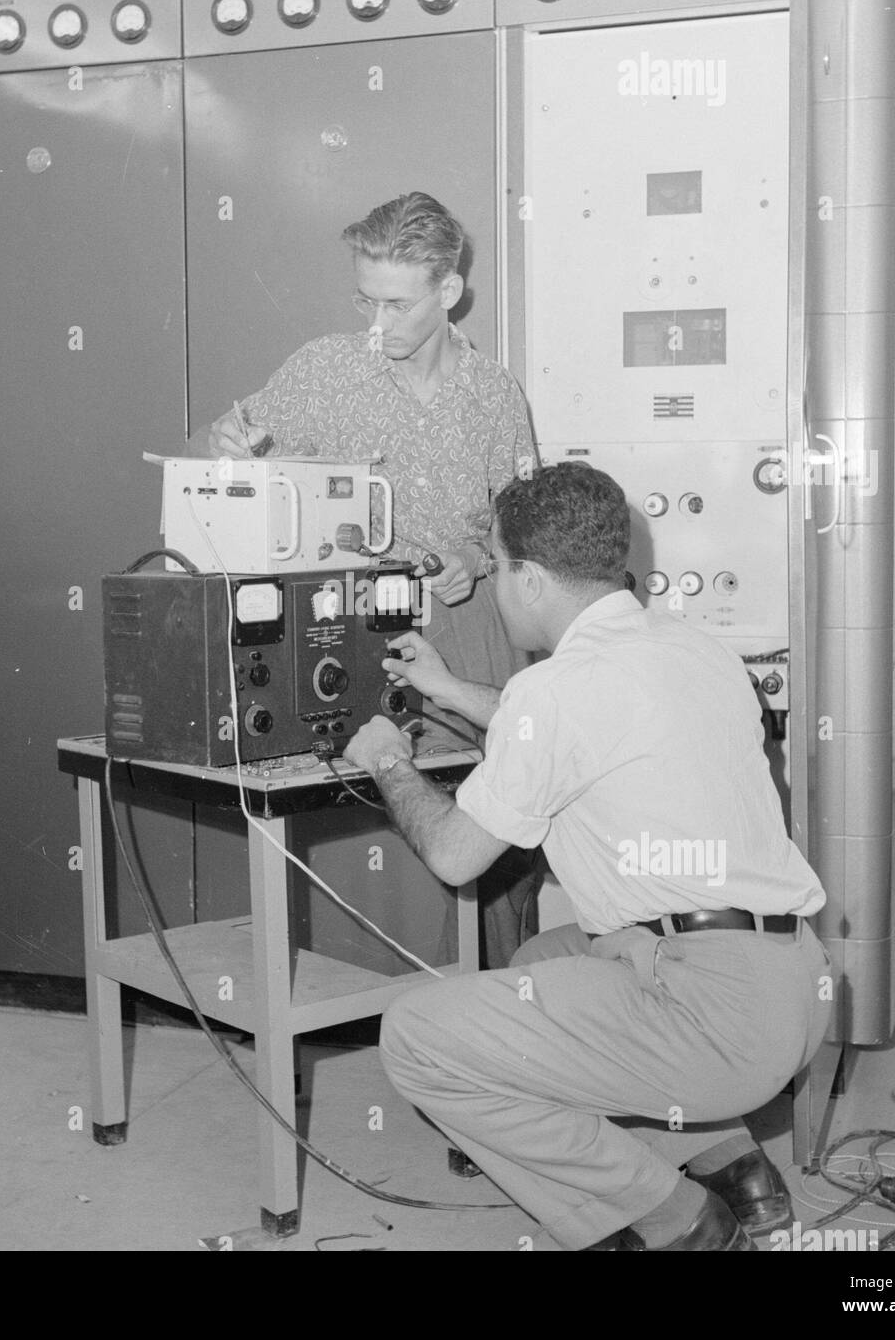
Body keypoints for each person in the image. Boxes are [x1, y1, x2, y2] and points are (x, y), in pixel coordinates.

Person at [342, 461, 833, 1250]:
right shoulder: (692, 647)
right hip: (796, 984)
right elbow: (573, 728)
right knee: (544, 955)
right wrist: (448, 689)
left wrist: (386, 761)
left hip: (716, 1018)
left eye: (499, 567)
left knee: (416, 1035)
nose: (498, 586)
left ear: (530, 578)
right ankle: (737, 1165)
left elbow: (457, 855)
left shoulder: (558, 690)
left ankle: (681, 1225)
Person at [190, 191, 542, 966]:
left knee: (500, 837)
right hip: (347, 618)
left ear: (448, 292)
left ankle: (493, 1019)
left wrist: (478, 559)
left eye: (396, 303)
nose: (375, 324)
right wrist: (224, 444)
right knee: (380, 812)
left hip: (466, 623)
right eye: (365, 299)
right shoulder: (324, 369)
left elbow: (522, 531)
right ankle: (409, 1010)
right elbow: (209, 455)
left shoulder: (495, 395)